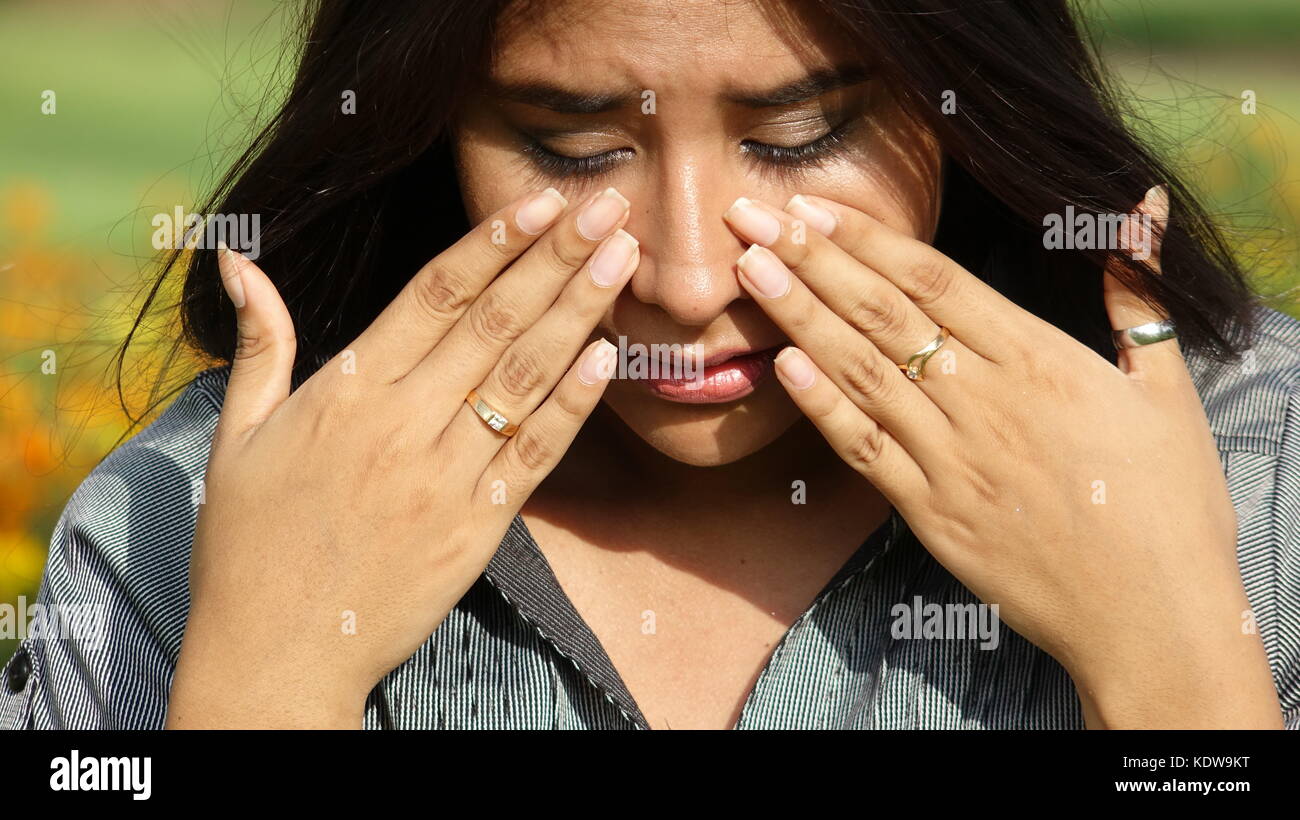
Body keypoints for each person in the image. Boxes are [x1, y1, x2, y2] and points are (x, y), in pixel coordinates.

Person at [3, 0, 1297, 730]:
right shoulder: (190, 520)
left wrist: (1180, 665)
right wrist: (267, 682)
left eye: (798, 135)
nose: (686, 277)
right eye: (571, 149)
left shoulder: (1263, 483)